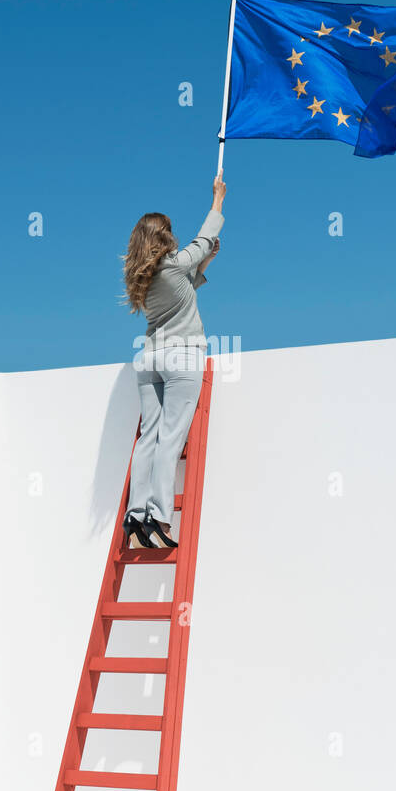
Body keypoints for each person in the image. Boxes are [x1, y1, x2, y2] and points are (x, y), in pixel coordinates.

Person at [120, 178, 227, 548]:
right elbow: (203, 239)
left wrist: (205, 262)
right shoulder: (175, 264)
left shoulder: (143, 277)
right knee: (171, 437)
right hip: (182, 355)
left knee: (149, 435)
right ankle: (160, 517)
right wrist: (218, 200)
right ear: (162, 237)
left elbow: (180, 293)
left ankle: (136, 514)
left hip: (149, 357)